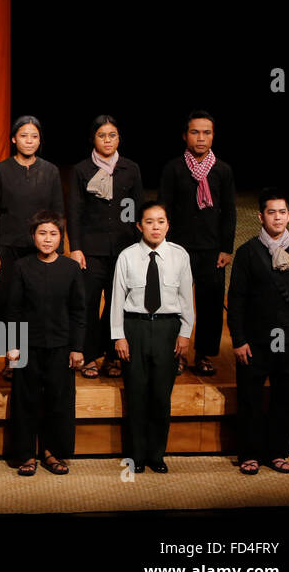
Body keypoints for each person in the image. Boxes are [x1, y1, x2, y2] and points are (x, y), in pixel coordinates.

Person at [228, 189, 289, 475]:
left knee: (288, 397)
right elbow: (237, 298)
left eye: (282, 212)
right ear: (260, 216)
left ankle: (278, 452)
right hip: (255, 339)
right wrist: (239, 339)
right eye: (271, 212)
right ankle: (250, 454)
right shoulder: (247, 252)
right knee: (250, 398)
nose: (277, 217)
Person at [110, 201, 193, 474]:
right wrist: (119, 336)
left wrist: (185, 332)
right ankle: (136, 456)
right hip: (135, 327)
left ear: (168, 224)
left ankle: (156, 454)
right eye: (149, 221)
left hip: (167, 329)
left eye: (160, 221)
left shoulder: (180, 256)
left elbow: (185, 298)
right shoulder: (127, 256)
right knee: (136, 394)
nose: (155, 227)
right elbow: (117, 299)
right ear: (139, 225)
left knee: (160, 395)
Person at [0, 115, 64, 380]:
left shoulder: (50, 171)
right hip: (8, 250)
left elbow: (57, 213)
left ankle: (38, 355)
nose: (29, 141)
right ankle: (11, 355)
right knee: (8, 303)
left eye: (34, 136)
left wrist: (57, 250)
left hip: (41, 249)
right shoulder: (0, 171)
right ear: (14, 139)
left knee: (39, 303)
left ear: (40, 141)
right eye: (24, 135)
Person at [5, 211, 85, 476]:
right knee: (25, 400)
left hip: (61, 345)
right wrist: (12, 345)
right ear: (33, 236)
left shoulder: (71, 268)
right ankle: (26, 453)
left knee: (58, 401)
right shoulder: (22, 267)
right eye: (42, 233)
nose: (47, 239)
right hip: (28, 345)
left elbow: (78, 311)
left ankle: (52, 451)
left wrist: (77, 347)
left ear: (61, 238)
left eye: (53, 234)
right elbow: (13, 309)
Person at [157, 110, 236, 377]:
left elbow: (229, 211)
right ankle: (176, 353)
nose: (201, 138)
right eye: (195, 132)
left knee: (211, 303)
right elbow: (163, 208)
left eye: (207, 132)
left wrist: (227, 248)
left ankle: (203, 354)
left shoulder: (222, 170)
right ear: (184, 135)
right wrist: (163, 246)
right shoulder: (173, 168)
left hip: (212, 250)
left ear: (213, 136)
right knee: (175, 303)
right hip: (178, 248)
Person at [67, 115, 143, 379]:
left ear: (119, 138)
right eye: (102, 135)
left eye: (112, 135)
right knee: (87, 302)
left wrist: (138, 245)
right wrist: (75, 248)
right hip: (90, 250)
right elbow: (75, 212)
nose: (108, 140)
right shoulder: (81, 170)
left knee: (117, 303)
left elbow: (136, 209)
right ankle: (88, 356)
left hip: (123, 249)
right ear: (93, 139)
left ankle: (112, 356)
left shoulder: (130, 169)